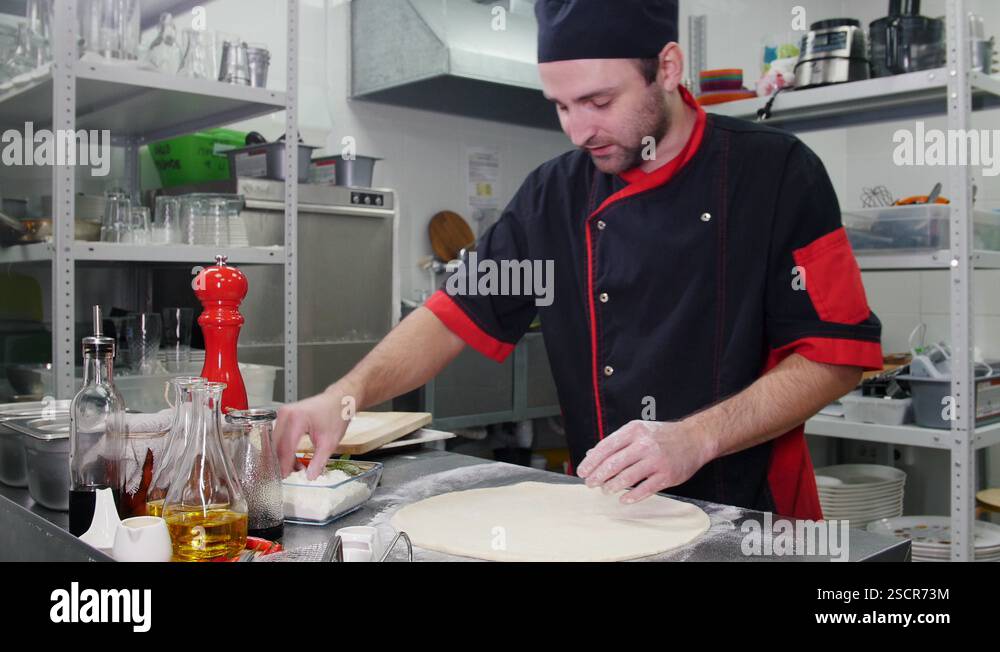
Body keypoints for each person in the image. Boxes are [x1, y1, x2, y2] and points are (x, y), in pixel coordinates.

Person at [274, 0, 882, 520]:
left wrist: (695, 438)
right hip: (613, 515)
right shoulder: (553, 195)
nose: (577, 131)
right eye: (561, 106)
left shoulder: (776, 173)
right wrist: (345, 396)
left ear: (667, 68)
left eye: (597, 100)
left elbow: (835, 358)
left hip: (752, 514)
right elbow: (451, 314)